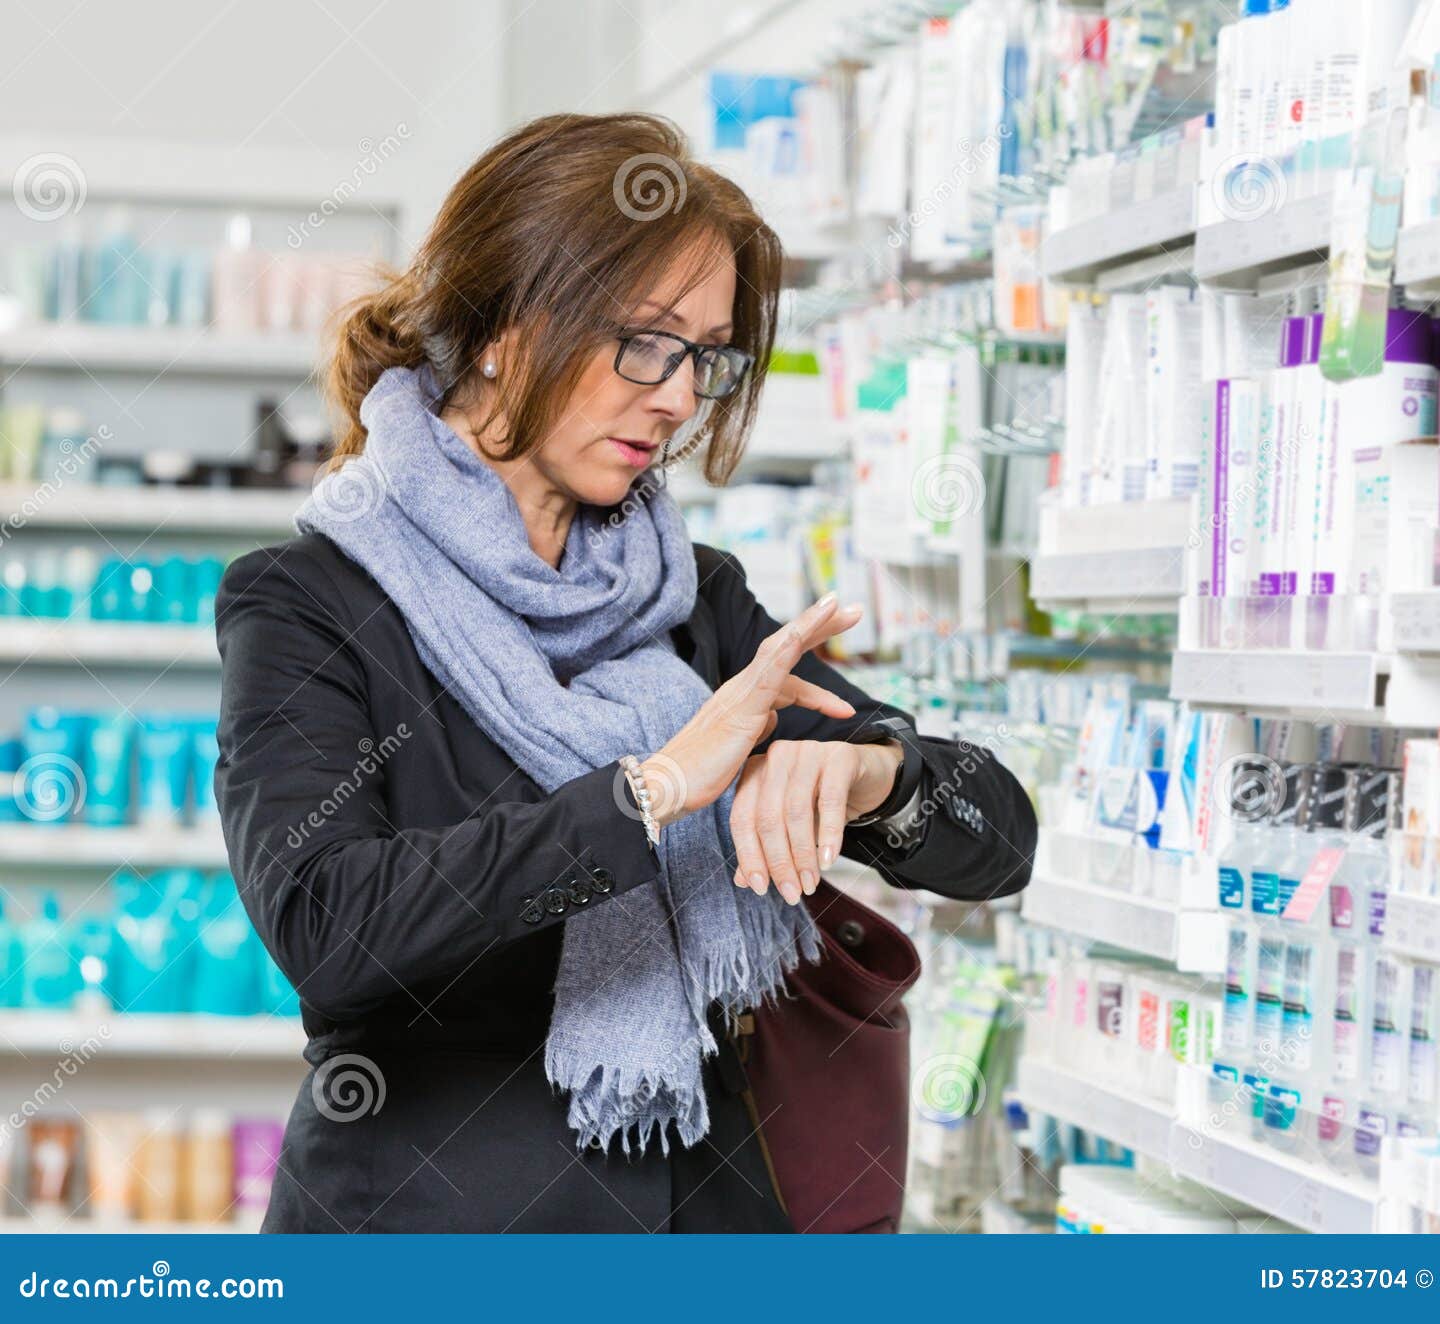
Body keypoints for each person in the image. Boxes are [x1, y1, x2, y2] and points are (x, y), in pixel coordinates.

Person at [214, 112, 1036, 1234]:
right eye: (646, 342)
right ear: (502, 321)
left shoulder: (695, 597)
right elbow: (330, 930)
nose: (678, 397)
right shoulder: (314, 599)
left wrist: (873, 779)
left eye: (704, 356)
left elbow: (999, 836)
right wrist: (646, 793)